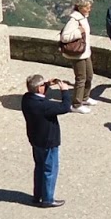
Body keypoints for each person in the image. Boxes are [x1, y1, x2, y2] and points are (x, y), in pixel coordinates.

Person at [20, 73, 72, 208]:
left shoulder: (26, 99)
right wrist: (65, 91)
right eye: (43, 85)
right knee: (50, 169)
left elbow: (39, 93)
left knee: (39, 167)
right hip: (48, 141)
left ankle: (37, 196)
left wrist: (48, 83)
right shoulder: (44, 105)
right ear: (39, 88)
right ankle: (48, 199)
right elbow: (65, 107)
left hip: (35, 139)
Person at [60, 0, 96, 111]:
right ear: (80, 7)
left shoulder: (83, 18)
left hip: (85, 53)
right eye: (87, 7)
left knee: (89, 76)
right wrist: (78, 32)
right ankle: (76, 104)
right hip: (78, 55)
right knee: (81, 78)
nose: (89, 9)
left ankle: (85, 97)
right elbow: (64, 37)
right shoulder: (74, 20)